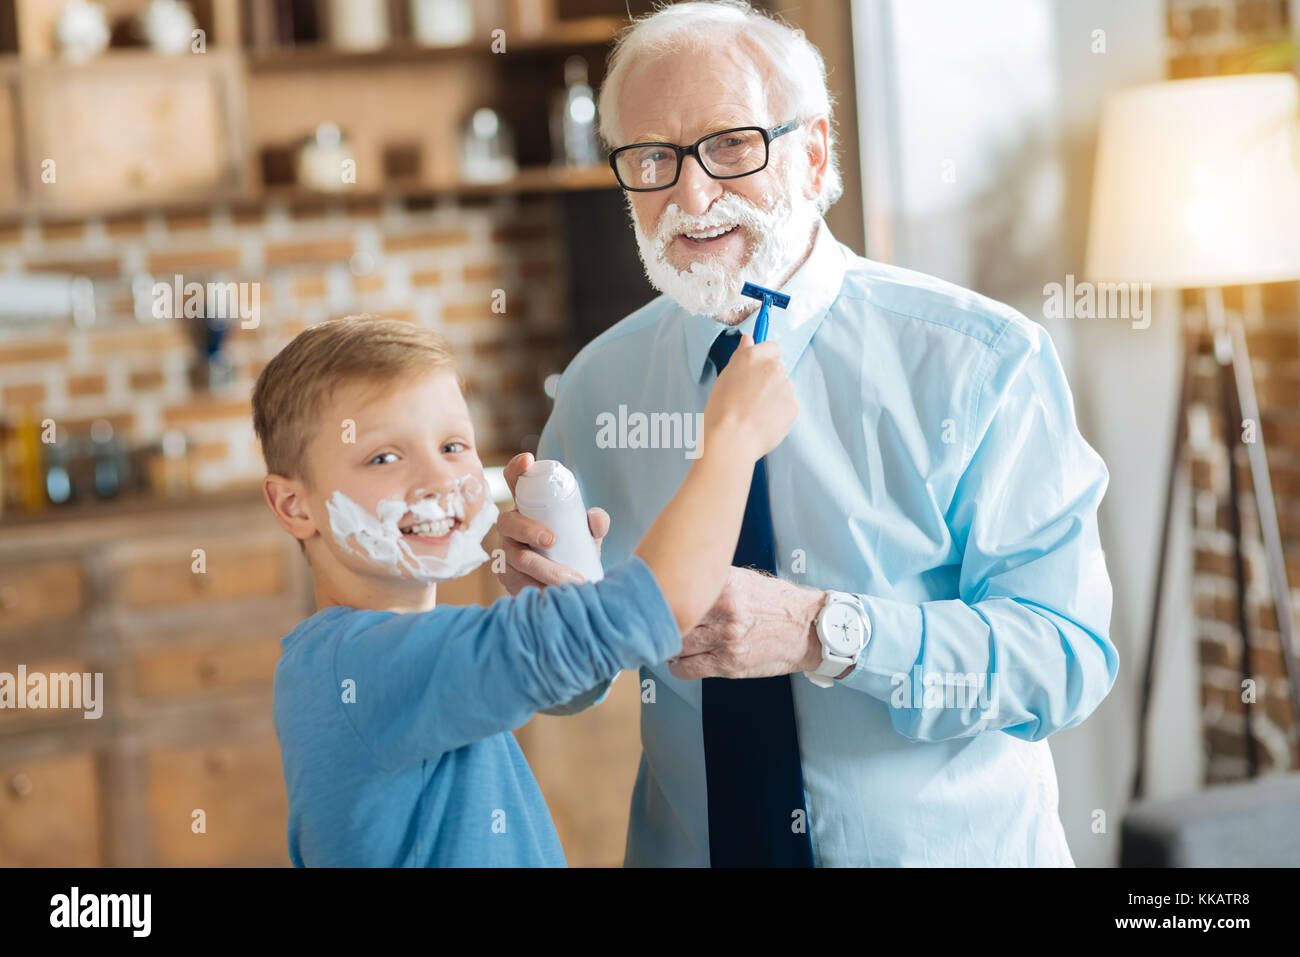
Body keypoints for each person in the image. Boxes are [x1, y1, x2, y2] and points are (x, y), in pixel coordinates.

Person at [496, 0, 1119, 866]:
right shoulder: (600, 383)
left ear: (815, 150)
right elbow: (571, 685)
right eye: (652, 158)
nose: (692, 193)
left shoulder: (982, 362)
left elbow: (1064, 659)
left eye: (732, 145)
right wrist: (543, 619)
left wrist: (825, 629)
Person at [255, 315, 795, 865]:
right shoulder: (364, 667)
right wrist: (734, 436)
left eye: (451, 445)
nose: (439, 480)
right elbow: (662, 602)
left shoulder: (369, 657)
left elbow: (584, 655)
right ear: (294, 506)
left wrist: (570, 602)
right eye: (383, 457)